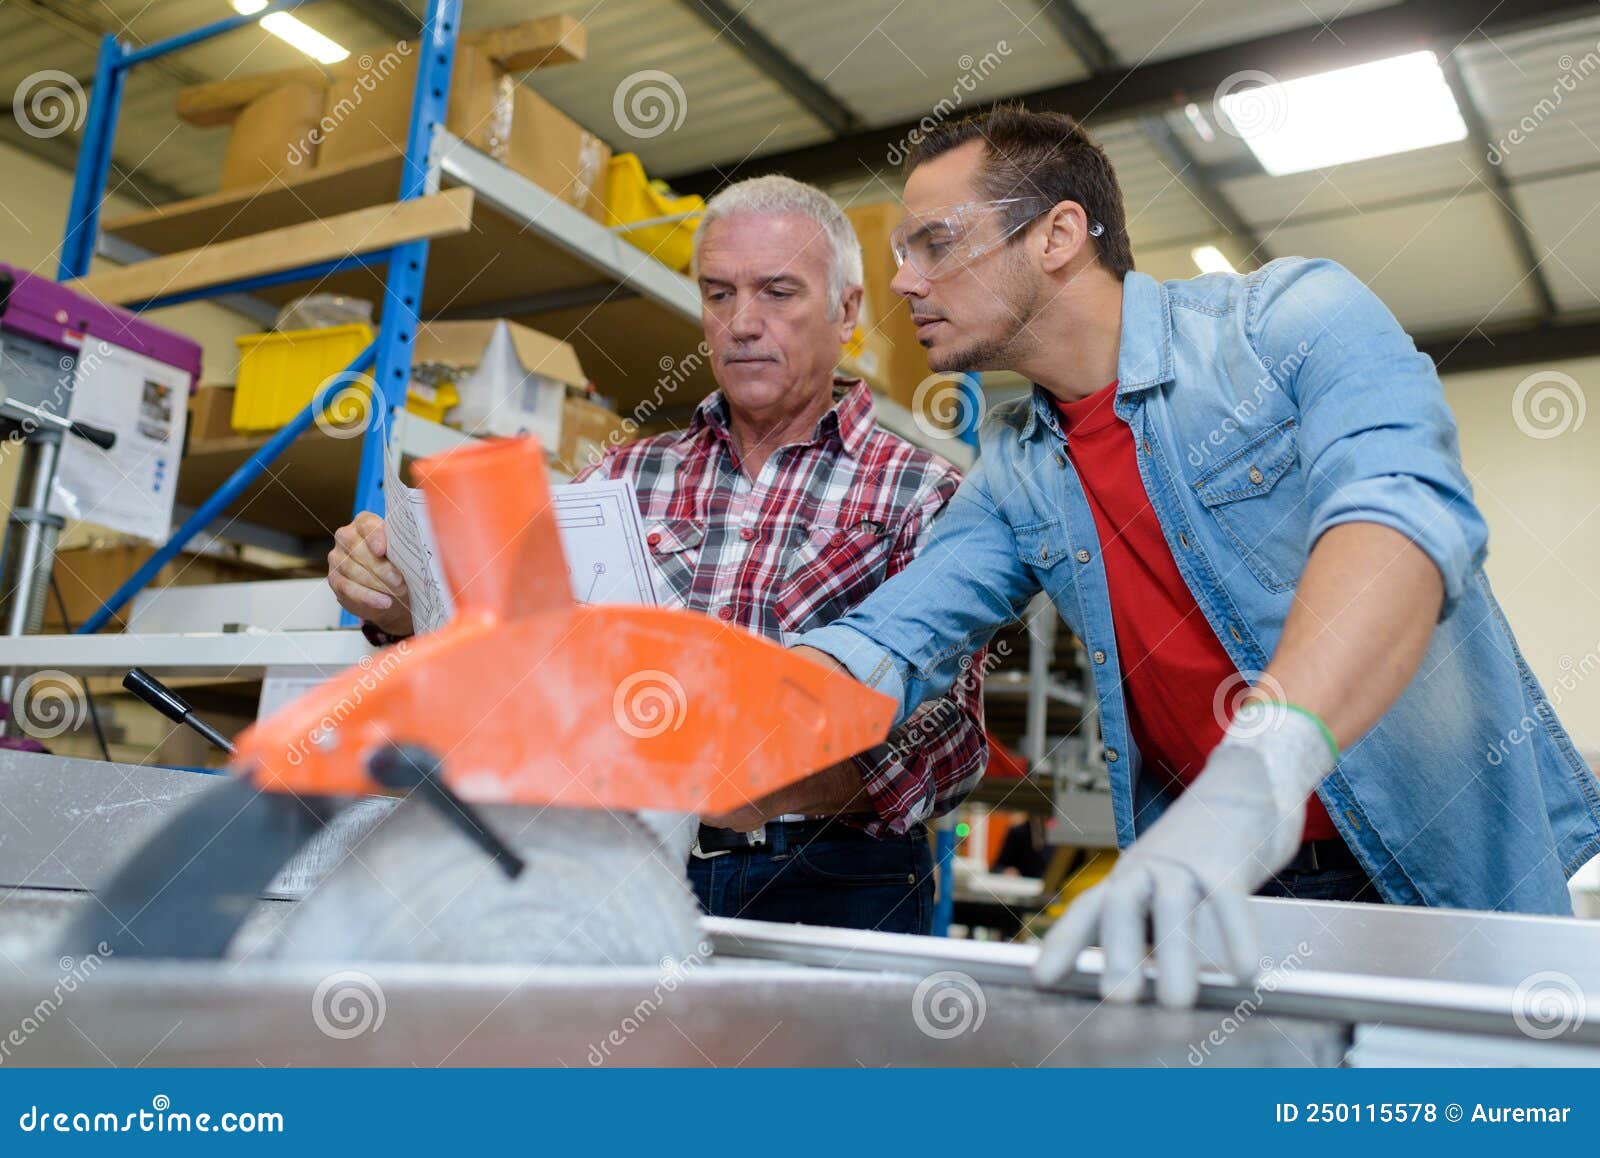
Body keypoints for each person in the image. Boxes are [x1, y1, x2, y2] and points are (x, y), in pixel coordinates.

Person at [791, 105, 1600, 1006]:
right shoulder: (1015, 470)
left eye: (933, 243)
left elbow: (1404, 517)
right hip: (1220, 896)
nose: (902, 280)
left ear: (1059, 234)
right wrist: (711, 739)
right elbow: (891, 638)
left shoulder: (1291, 320)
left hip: (1443, 876)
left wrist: (1258, 774)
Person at [326, 175, 987, 936]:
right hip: (617, 862)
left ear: (845, 311)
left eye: (777, 292)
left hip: (831, 882)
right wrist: (407, 606)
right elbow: (516, 645)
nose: (741, 323)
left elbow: (955, 736)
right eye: (717, 294)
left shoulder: (924, 493)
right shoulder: (619, 477)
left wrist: (787, 783)